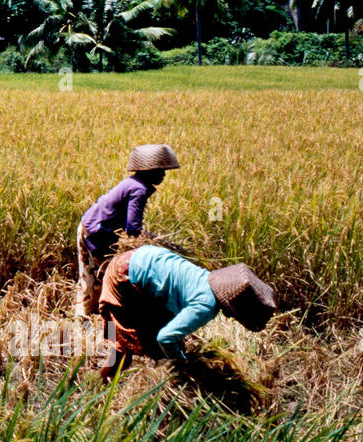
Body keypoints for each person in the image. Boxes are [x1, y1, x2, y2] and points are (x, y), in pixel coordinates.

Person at [96, 245, 276, 382]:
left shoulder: (207, 279)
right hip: (124, 276)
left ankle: (158, 383)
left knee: (160, 347)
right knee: (123, 351)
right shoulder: (206, 306)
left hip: (139, 258)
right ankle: (97, 391)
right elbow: (165, 338)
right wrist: (186, 366)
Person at [73, 144, 180, 319]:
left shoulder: (133, 183)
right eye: (161, 170)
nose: (164, 175)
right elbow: (132, 228)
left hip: (92, 227)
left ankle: (92, 316)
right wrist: (156, 242)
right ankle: (85, 318)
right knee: (96, 276)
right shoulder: (139, 189)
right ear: (150, 170)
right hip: (95, 232)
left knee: (93, 276)